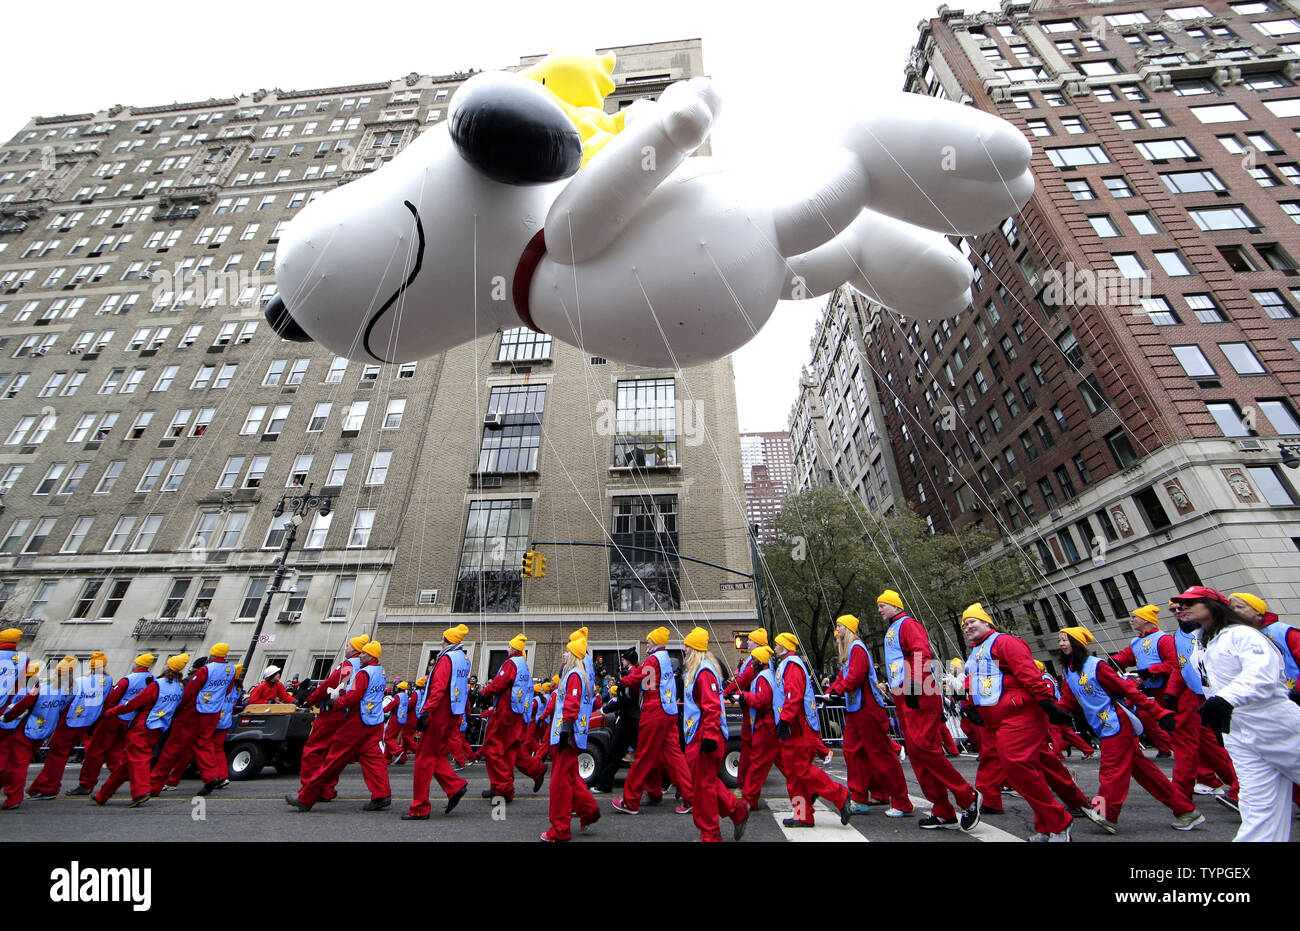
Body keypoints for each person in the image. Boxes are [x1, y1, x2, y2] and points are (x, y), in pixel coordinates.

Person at [1174, 586, 1300, 842]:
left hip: (1274, 724)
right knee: (1257, 809)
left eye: (1190, 602)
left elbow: (1262, 674)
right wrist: (1220, 722)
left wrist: (1225, 700)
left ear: (1213, 605)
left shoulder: (1242, 634)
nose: (1182, 608)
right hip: (1240, 733)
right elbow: (1211, 686)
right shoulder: (1202, 642)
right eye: (1179, 604)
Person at [961, 604, 1092, 842]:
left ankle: (1059, 822)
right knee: (1031, 768)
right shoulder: (976, 652)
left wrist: (1046, 701)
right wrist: (971, 706)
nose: (968, 627)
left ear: (987, 623)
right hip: (998, 720)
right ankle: (1047, 825)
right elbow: (976, 681)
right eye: (965, 625)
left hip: (1020, 714)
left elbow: (1026, 671)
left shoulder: (1005, 642)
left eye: (972, 622)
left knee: (1016, 765)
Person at [1055, 625, 1203, 834]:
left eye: (1066, 639)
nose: (1061, 644)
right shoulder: (1069, 671)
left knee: (1110, 770)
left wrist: (1159, 713)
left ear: (1078, 643)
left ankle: (1106, 813)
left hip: (1117, 724)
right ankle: (1186, 810)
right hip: (1103, 726)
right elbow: (1068, 700)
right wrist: (1048, 713)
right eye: (1060, 640)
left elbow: (1129, 691)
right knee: (1147, 773)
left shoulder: (1097, 666)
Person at [878, 589, 980, 830]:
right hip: (905, 694)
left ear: (895, 605)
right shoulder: (893, 629)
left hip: (918, 692)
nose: (880, 609)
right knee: (917, 753)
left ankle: (967, 795)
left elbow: (920, 653)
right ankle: (942, 809)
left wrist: (912, 687)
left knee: (925, 748)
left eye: (883, 605)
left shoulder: (908, 625)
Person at [825, 614, 913, 818]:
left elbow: (855, 676)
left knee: (881, 754)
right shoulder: (848, 653)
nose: (837, 630)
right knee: (852, 752)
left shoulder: (857, 648)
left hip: (868, 708)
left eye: (839, 626)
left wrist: (839, 690)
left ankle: (902, 800)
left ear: (849, 628)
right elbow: (843, 677)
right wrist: (830, 693)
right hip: (856, 709)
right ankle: (861, 797)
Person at [287, 641, 391, 812]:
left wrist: (333, 703)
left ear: (370, 655)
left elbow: (350, 694)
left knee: (333, 758)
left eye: (363, 652)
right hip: (374, 720)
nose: (360, 655)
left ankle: (306, 797)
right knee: (373, 758)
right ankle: (382, 793)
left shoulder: (359, 672)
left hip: (356, 720)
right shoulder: (380, 671)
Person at [771, 632, 852, 828]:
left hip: (797, 727)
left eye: (777, 644)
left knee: (800, 770)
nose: (774, 648)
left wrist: (785, 720)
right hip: (793, 726)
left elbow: (794, 695)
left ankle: (840, 795)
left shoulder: (791, 665)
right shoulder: (788, 664)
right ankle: (803, 814)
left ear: (784, 646)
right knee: (794, 774)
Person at [612, 627, 694, 815]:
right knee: (674, 757)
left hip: (654, 711)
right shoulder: (664, 658)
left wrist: (624, 681)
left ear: (655, 642)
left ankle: (631, 801)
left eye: (649, 640)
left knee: (643, 755)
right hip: (669, 711)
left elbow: (643, 676)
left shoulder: (653, 659)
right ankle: (689, 796)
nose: (646, 642)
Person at [681, 627, 749, 842]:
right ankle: (736, 811)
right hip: (701, 734)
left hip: (705, 736)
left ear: (695, 649)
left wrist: (709, 736)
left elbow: (712, 707)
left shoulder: (703, 671)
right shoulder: (703, 670)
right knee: (705, 783)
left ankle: (711, 834)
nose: (684, 649)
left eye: (687, 646)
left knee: (703, 789)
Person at [95, 654, 187, 807]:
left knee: (139, 759)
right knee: (125, 765)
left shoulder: (158, 685)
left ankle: (140, 792)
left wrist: (110, 712)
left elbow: (133, 703)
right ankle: (102, 795)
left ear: (168, 667)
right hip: (159, 727)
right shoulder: (179, 687)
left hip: (144, 726)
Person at [148, 642, 237, 797]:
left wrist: (178, 708)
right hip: (214, 712)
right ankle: (211, 776)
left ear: (212, 654)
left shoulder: (205, 670)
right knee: (204, 744)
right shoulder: (231, 669)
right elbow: (228, 690)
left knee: (172, 748)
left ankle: (154, 784)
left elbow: (190, 691)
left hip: (196, 712)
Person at [404, 625, 471, 820]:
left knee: (424, 759)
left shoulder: (446, 658)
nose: (440, 643)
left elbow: (439, 687)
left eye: (442, 639)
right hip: (453, 712)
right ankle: (455, 786)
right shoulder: (463, 659)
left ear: (447, 641)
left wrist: (426, 712)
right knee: (435, 754)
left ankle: (420, 807)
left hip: (439, 712)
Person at [541, 636, 601, 842]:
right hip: (570, 734)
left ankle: (560, 829)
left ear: (574, 655)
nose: (564, 654)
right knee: (571, 778)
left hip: (567, 735)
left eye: (567, 651)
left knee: (559, 784)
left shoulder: (574, 676)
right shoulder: (578, 675)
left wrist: (565, 730)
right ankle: (589, 810)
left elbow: (572, 704)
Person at [297, 635, 370, 802]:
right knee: (332, 753)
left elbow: (329, 684)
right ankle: (327, 789)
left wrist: (309, 699)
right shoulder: (365, 666)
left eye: (348, 646)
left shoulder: (349, 665)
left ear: (355, 649)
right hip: (350, 712)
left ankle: (310, 788)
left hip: (334, 711)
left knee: (314, 749)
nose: (346, 648)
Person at [30, 653, 113, 799]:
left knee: (57, 755)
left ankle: (48, 787)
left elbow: (63, 697)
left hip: (70, 721)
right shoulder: (108, 680)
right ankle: (41, 786)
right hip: (89, 721)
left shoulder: (80, 681)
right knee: (84, 753)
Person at [478, 633, 545, 800]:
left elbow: (499, 684)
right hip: (517, 713)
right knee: (509, 751)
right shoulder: (523, 665)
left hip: (505, 713)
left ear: (514, 648)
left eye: (509, 646)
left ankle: (503, 788)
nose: (507, 649)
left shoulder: (511, 664)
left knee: (494, 749)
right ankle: (500, 786)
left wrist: (484, 691)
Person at [1109, 606, 1177, 757]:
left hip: (1166, 686)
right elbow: (1126, 657)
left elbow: (1173, 664)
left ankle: (1182, 748)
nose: (1132, 620)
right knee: (1146, 717)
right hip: (1148, 687)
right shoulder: (1136, 642)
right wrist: (1113, 662)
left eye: (1135, 617)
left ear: (1146, 619)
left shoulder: (1163, 639)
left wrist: (1151, 671)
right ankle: (1165, 747)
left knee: (1172, 719)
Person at [723, 628, 766, 798]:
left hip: (756, 712)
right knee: (753, 751)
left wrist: (727, 691)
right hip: (751, 710)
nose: (747, 642)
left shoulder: (755, 663)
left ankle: (747, 791)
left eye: (751, 640)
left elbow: (743, 679)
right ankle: (744, 787)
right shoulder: (752, 661)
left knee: (763, 754)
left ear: (757, 643)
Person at [592, 647, 639, 794]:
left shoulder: (631, 676)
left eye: (623, 659)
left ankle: (605, 784)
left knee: (617, 753)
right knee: (615, 753)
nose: (621, 662)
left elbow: (625, 699)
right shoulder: (633, 674)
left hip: (629, 721)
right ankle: (604, 784)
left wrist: (605, 709)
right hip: (629, 720)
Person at [0, 660, 42, 810]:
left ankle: (13, 795)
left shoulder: (17, 684)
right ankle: (13, 794)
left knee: (9, 762)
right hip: (21, 727)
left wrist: (7, 717)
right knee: (15, 763)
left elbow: (19, 705)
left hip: (9, 725)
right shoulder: (36, 686)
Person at [1037, 661, 1094, 758]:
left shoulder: (1045, 679)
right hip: (1056, 708)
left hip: (1053, 709)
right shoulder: (1046, 678)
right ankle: (1087, 750)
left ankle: (1058, 754)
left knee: (1055, 732)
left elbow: (1048, 695)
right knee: (1067, 733)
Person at [383, 681, 410, 763]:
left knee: (387, 737)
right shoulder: (405, 696)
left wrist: (384, 709)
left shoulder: (398, 696)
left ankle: (398, 751)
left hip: (395, 718)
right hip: (402, 719)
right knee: (391, 738)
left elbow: (392, 705)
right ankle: (387, 758)